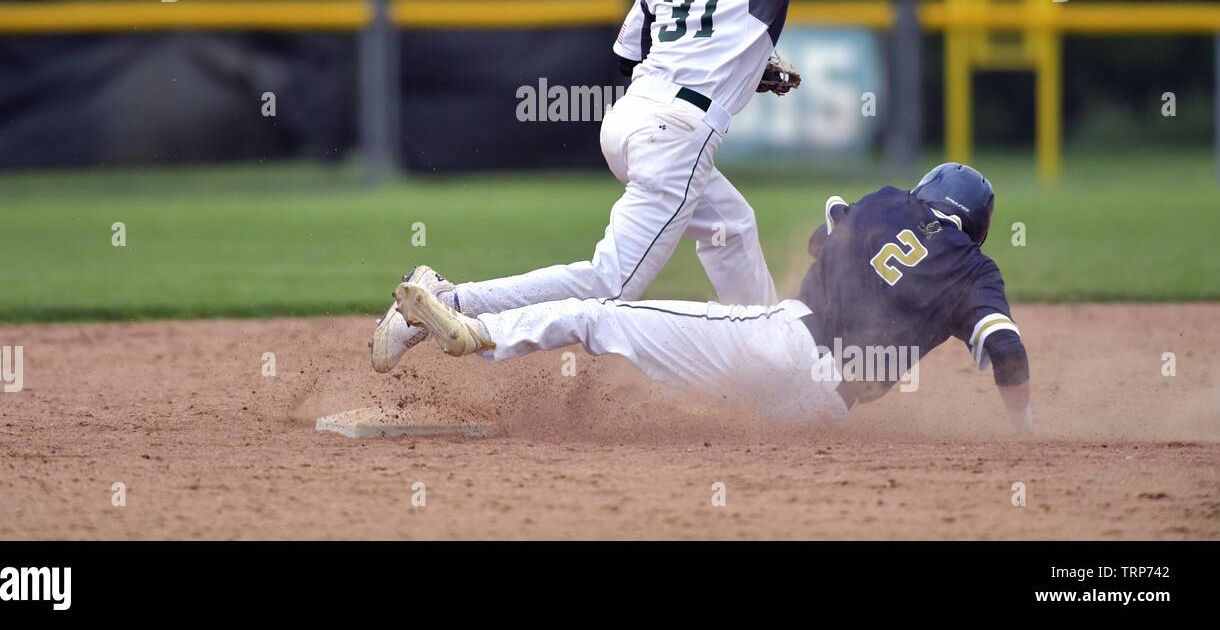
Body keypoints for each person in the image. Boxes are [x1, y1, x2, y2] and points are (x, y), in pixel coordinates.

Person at [371, 0, 849, 372]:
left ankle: (770, 361)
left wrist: (740, 63)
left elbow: (629, 57)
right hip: (678, 133)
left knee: (731, 226)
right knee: (609, 283)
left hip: (629, 120)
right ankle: (451, 307)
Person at [388, 164, 1033, 429]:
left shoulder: (890, 203)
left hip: (780, 343)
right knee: (702, 416)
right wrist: (1023, 430)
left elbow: (820, 240)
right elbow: (1006, 349)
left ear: (927, 194)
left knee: (599, 314)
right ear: (975, 225)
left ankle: (476, 328)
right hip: (822, 413)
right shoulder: (977, 274)